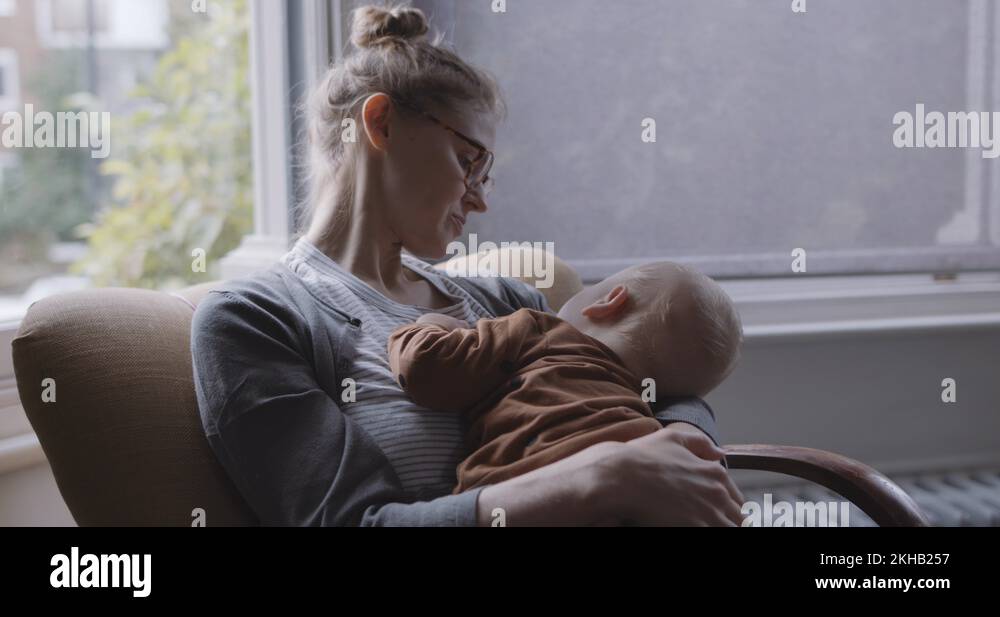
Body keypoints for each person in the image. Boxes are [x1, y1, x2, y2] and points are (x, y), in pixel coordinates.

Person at [191, 3, 744, 526]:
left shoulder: (506, 301)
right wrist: (601, 474)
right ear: (380, 123)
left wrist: (676, 454)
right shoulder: (254, 320)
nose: (480, 200)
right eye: (469, 162)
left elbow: (663, 389)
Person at [388, 261, 744, 494]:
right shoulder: (645, 419)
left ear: (609, 301)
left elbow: (425, 367)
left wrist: (431, 325)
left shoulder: (537, 330)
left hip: (520, 499)